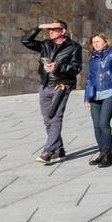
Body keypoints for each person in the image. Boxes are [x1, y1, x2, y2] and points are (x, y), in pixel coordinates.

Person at [22, 20, 82, 165]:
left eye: (55, 29)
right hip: (45, 85)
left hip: (61, 85)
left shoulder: (73, 47)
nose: (51, 31)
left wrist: (58, 67)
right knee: (47, 119)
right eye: (49, 29)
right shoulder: (45, 45)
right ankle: (59, 149)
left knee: (55, 117)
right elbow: (25, 41)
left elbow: (76, 67)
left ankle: (47, 151)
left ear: (63, 31)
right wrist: (39, 27)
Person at [84, 33, 112, 167]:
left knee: (103, 123)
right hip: (95, 95)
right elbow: (89, 78)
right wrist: (87, 97)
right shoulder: (93, 58)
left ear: (105, 42)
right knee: (96, 125)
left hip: (111, 92)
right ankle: (102, 152)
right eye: (93, 42)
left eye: (98, 41)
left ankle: (108, 155)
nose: (95, 44)